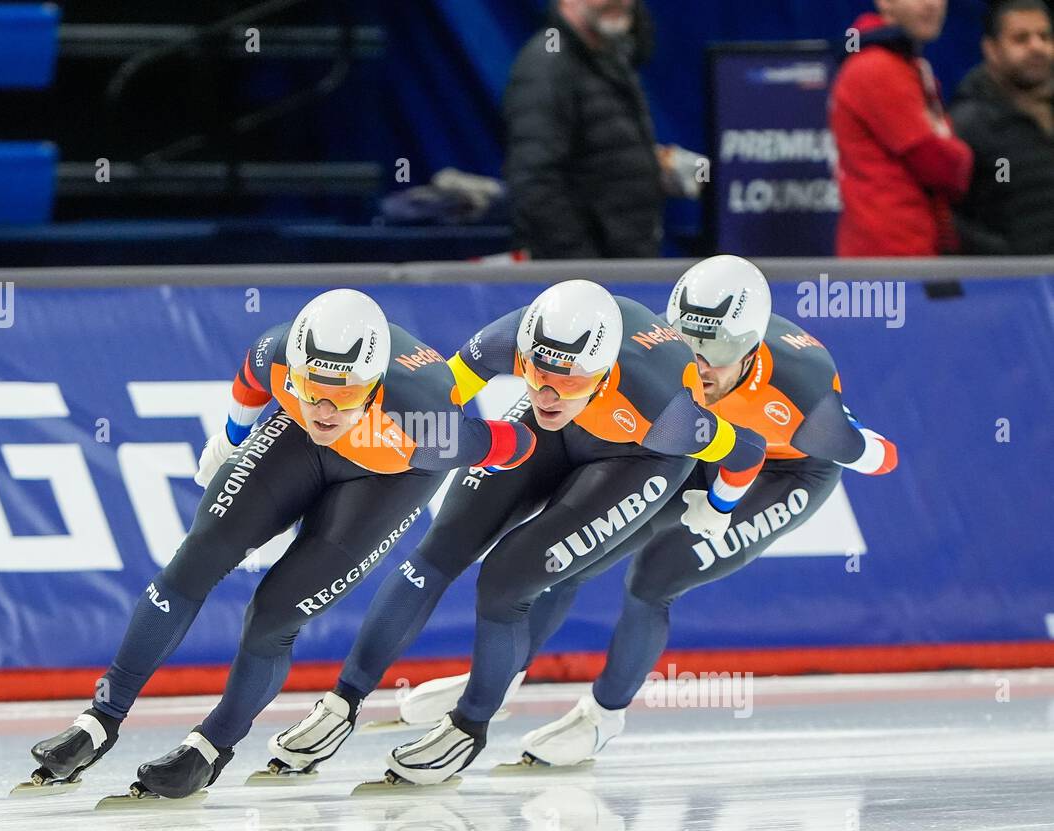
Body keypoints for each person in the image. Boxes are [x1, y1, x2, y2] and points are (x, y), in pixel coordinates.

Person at [384, 256, 901, 769]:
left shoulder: (801, 397)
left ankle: (605, 714)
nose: (698, 364)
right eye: (689, 342)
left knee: (653, 578)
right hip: (703, 453)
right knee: (573, 560)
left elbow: (883, 457)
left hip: (784, 475)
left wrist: (838, 447)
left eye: (717, 351)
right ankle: (506, 670)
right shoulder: (664, 357)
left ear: (752, 346)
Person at [20, 289, 537, 800]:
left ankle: (211, 747)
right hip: (298, 446)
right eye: (312, 387)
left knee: (272, 618)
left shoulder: (432, 426)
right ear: (297, 369)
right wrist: (231, 437)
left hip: (391, 475)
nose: (326, 409)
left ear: (375, 385)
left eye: (345, 394)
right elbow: (250, 376)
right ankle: (100, 720)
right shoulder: (277, 352)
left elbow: (515, 443)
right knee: (192, 563)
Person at [265, 277, 769, 787]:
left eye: (567, 379)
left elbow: (746, 453)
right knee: (436, 553)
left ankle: (470, 726)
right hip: (562, 432)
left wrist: (720, 507)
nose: (548, 392)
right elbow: (438, 395)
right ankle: (342, 702)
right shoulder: (512, 339)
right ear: (525, 352)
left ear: (602, 373)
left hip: (638, 457)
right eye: (536, 372)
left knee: (506, 579)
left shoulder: (669, 413)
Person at [504, 0, 675, 259]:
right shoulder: (546, 63)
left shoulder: (610, 55)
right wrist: (584, 270)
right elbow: (533, 181)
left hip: (627, 264)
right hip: (588, 279)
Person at [830, 0, 974, 256]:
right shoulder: (877, 67)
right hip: (889, 258)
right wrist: (964, 156)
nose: (932, 4)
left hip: (910, 248)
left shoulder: (909, 65)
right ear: (884, 2)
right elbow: (942, 166)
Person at [951, 0, 1054, 255]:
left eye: (1044, 36)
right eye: (1021, 39)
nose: (1037, 47)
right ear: (992, 49)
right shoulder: (968, 124)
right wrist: (1006, 257)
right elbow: (948, 220)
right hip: (1008, 286)